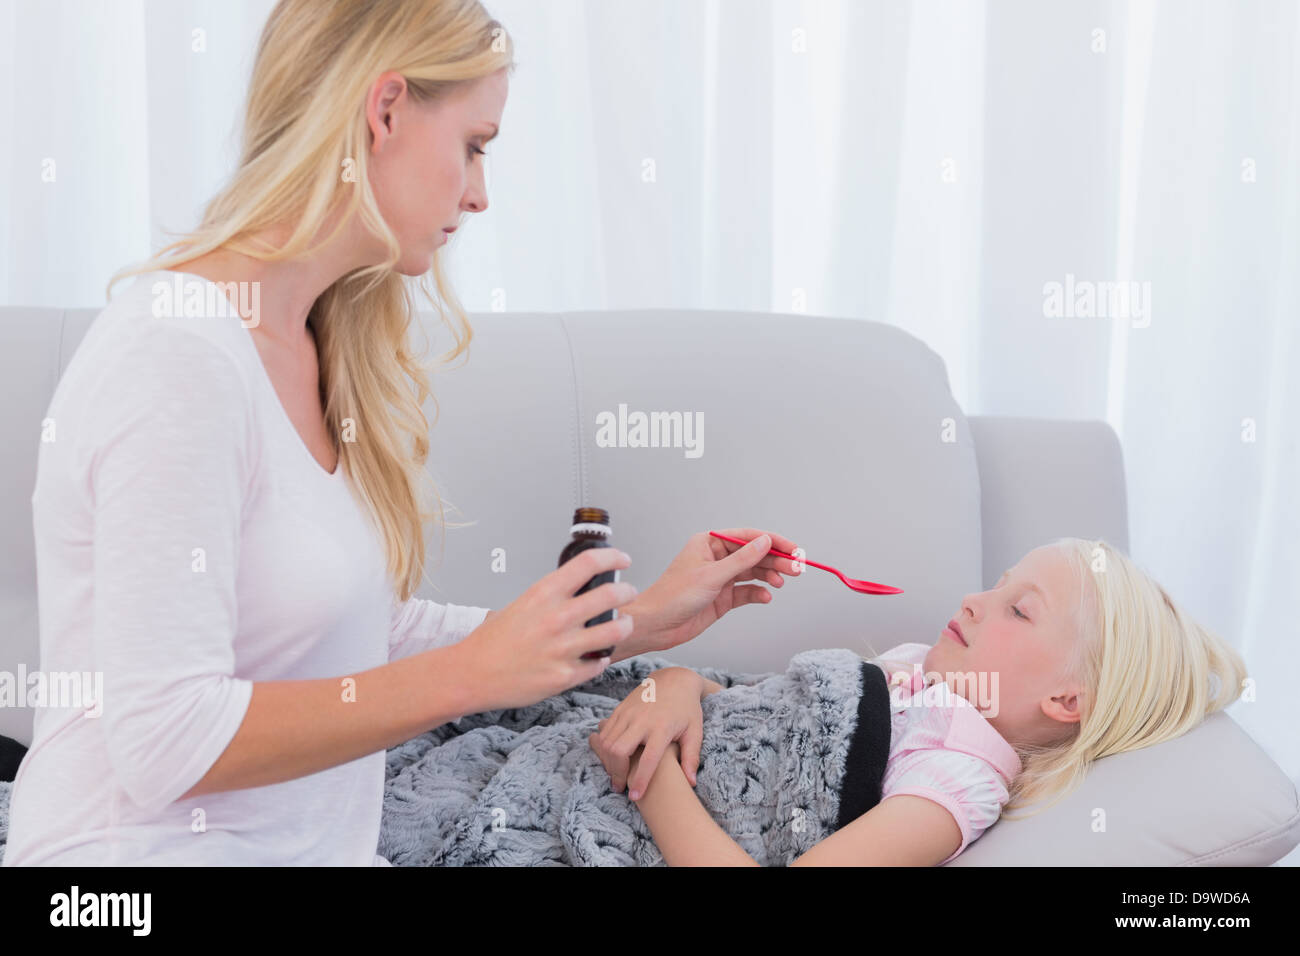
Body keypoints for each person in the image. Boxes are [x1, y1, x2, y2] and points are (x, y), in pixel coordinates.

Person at [2, 0, 801, 866]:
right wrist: (474, 674)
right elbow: (164, 738)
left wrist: (630, 623)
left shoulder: (308, 343)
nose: (479, 193)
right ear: (384, 111)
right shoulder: (177, 353)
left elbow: (359, 637)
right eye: (474, 143)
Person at [589, 538, 1249, 865]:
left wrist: (653, 775)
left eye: (1017, 609)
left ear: (1066, 698)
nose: (972, 601)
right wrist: (674, 687)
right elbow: (752, 712)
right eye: (997, 586)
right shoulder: (913, 673)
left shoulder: (956, 777)